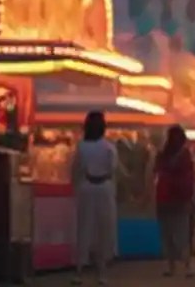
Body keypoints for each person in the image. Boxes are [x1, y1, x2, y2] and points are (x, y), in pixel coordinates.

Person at [71, 111, 119, 286]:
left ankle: (79, 271)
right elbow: (113, 169)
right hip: (104, 188)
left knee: (84, 228)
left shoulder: (81, 147)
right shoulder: (108, 147)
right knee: (104, 229)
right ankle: (102, 272)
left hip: (86, 187)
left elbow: (75, 169)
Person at [154, 125, 195, 277]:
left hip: (164, 197)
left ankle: (170, 266)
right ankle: (187, 266)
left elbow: (154, 173)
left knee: (167, 234)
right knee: (182, 233)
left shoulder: (162, 155)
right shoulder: (186, 156)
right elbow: (192, 179)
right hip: (181, 199)